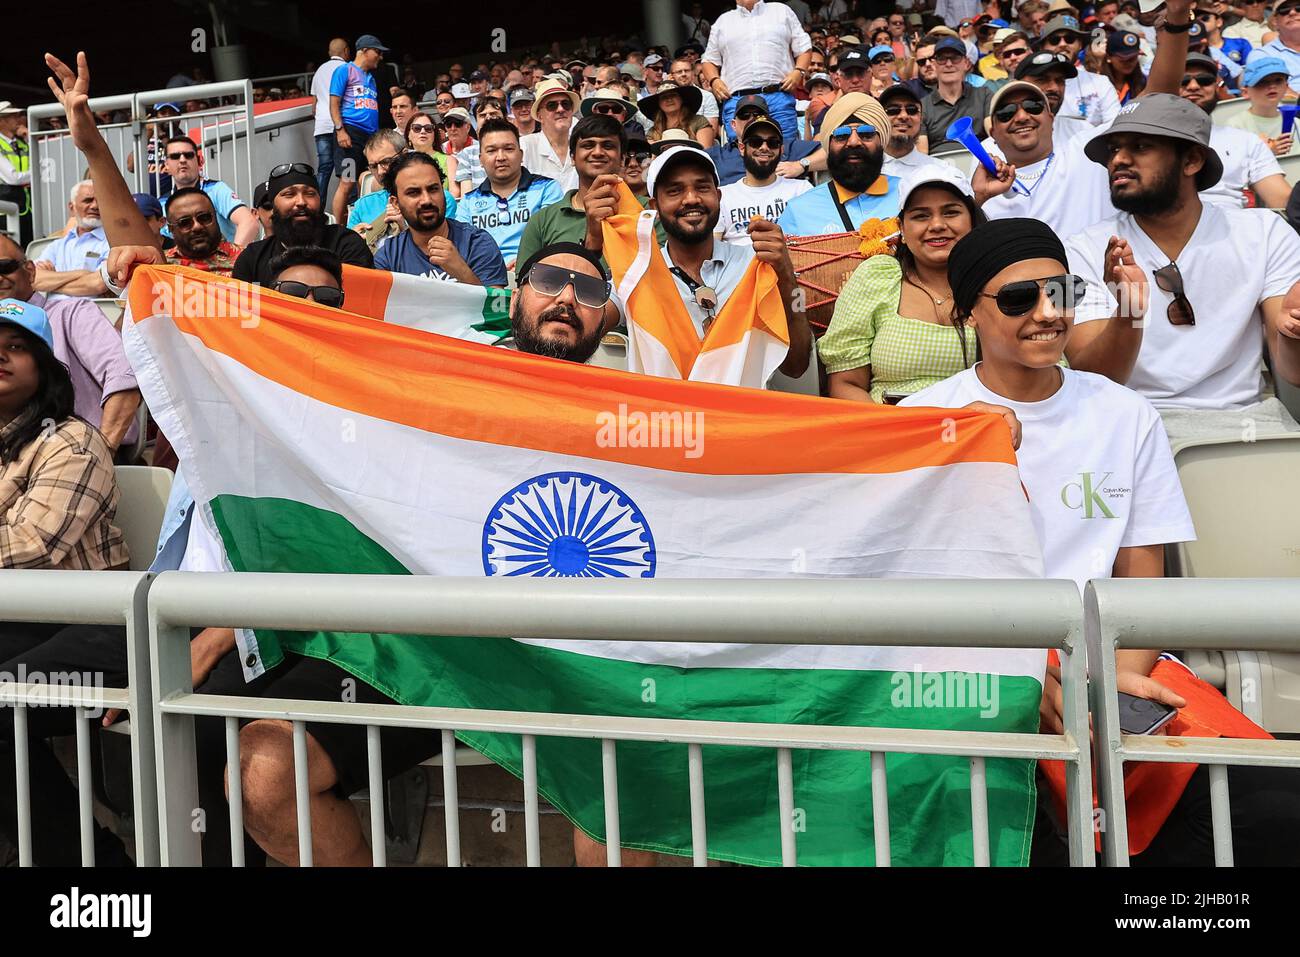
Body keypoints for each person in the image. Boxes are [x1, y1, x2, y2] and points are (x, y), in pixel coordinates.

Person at [907, 217, 1300, 867]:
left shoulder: (1124, 413)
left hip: (1112, 667)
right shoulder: (924, 419)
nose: (1045, 314)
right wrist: (1026, 681)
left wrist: (1113, 683)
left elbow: (1141, 563)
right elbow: (915, 582)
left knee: (1270, 809)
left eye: (1059, 292)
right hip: (983, 676)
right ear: (968, 313)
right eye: (1016, 299)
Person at [1066, 93, 1300, 440]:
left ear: (1192, 160)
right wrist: (1130, 309)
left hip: (1245, 424)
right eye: (1114, 149)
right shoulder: (1082, 247)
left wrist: (1293, 332)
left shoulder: (1264, 233)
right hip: (1130, 429)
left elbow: (1292, 370)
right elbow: (1095, 376)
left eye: (1141, 146)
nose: (1119, 160)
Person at [0, 296, 132, 866]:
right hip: (18, 618)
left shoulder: (71, 441)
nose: (0, 358)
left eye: (15, 347)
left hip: (96, 626)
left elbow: (35, 544)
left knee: (2, 701)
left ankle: (87, 865)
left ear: (46, 366)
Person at [584, 144, 812, 378]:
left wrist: (786, 277)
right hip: (668, 415)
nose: (691, 199)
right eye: (675, 191)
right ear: (655, 207)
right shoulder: (637, 273)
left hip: (743, 413)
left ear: (718, 196)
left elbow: (797, 365)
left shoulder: (755, 264)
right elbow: (582, 330)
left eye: (702, 187)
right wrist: (592, 243)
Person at [820, 165, 985, 403]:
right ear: (902, 230)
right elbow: (846, 383)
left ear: (972, 220)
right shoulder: (877, 277)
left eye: (950, 212)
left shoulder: (997, 281)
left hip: (980, 431)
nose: (937, 224)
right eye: (921, 215)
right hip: (889, 430)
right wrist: (891, 434)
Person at [0, 236, 140, 450]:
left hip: (85, 453)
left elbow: (124, 376)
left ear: (30, 271)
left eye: (5, 267)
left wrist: (100, 453)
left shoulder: (72, 314)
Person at [516, 115, 665, 269]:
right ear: (573, 157)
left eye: (608, 146)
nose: (598, 152)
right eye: (588, 145)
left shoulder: (650, 213)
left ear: (622, 159)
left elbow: (657, 276)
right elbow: (524, 285)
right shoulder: (542, 220)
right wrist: (592, 241)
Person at [980, 79, 1119, 237]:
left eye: (1033, 106)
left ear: (1051, 119)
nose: (1021, 117)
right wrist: (980, 196)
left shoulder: (1086, 150)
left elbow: (1150, 94)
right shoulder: (985, 186)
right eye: (1006, 113)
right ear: (993, 133)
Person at [374, 151, 507, 285]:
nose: (426, 200)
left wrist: (462, 271)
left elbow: (497, 304)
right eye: (413, 193)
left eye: (433, 189)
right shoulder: (388, 256)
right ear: (396, 204)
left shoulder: (477, 243)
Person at [777, 94, 903, 235]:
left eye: (866, 134)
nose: (854, 142)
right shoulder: (799, 211)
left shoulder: (908, 194)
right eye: (841, 135)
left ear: (881, 143)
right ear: (828, 147)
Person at [1180, 50, 1291, 209]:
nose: (1193, 86)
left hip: (1233, 226)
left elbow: (1282, 199)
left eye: (1204, 80)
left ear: (1217, 87)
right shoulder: (1149, 139)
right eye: (1183, 81)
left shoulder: (1245, 140)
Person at [232, 163, 373, 285]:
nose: (301, 202)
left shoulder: (346, 244)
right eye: (289, 194)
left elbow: (359, 302)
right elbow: (245, 312)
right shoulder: (252, 259)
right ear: (274, 207)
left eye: (310, 193)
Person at [454, 118, 564, 269]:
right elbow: (462, 247)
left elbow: (555, 240)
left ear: (521, 154)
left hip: (536, 274)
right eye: (491, 151)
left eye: (508, 149)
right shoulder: (468, 201)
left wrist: (527, 260)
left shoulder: (547, 189)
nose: (501, 157)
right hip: (485, 278)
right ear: (481, 159)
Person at [699, 0, 814, 142]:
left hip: (778, 96)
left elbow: (804, 48)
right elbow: (709, 60)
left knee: (786, 148)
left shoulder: (782, 11)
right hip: (737, 100)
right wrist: (714, 80)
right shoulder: (723, 21)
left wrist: (799, 71)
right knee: (739, 152)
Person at [508, 242, 624, 362]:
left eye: (588, 291)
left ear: (603, 319)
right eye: (549, 282)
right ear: (514, 301)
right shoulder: (486, 371)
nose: (568, 298)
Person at [718, 115, 812, 244]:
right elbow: (712, 249)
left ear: (781, 149)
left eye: (773, 143)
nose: (764, 147)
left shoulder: (802, 190)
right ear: (742, 148)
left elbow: (814, 239)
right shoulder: (723, 196)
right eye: (755, 142)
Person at [329, 35, 389, 225]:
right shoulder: (344, 70)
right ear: (364, 50)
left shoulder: (371, 78)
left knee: (371, 179)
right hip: (350, 134)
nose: (380, 56)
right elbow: (334, 102)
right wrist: (340, 130)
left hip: (370, 138)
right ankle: (338, 230)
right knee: (347, 182)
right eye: (377, 52)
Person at [158, 135, 259, 246]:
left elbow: (249, 222)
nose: (182, 160)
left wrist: (235, 258)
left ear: (199, 161)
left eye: (188, 155)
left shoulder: (216, 190)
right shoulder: (162, 203)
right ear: (166, 165)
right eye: (175, 156)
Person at [709, 94, 824, 185]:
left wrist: (801, 165)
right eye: (744, 115)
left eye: (758, 115)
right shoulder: (718, 155)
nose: (751, 119)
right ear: (733, 124)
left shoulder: (781, 146)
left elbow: (831, 153)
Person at [1040, 13, 1123, 128]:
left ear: (1080, 44)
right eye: (1055, 40)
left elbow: (1114, 126)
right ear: (1043, 47)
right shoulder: (1032, 85)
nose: (1063, 44)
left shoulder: (1101, 83)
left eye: (1070, 39)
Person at [32, 180, 109, 299]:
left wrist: (52, 280)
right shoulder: (58, 245)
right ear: (72, 208)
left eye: (100, 201)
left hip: (91, 312)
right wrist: (82, 274)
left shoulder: (110, 243)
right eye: (88, 200)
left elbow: (98, 284)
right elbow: (33, 279)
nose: (95, 206)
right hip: (51, 312)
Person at [920, 36, 994, 150]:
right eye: (941, 59)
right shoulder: (923, 107)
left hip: (980, 162)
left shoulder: (984, 95)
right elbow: (922, 152)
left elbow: (993, 134)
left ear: (966, 63)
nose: (948, 64)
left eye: (955, 58)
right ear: (934, 64)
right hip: (938, 165)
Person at [1223, 56, 1297, 157]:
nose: (1272, 86)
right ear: (1245, 92)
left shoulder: (1296, 123)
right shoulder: (1235, 125)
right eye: (1262, 82)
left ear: (1286, 87)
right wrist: (1267, 153)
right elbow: (1234, 165)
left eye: (1278, 80)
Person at [162, 187, 243, 276]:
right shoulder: (160, 265)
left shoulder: (246, 258)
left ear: (215, 217)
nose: (197, 226)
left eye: (204, 218)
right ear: (171, 228)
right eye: (185, 222)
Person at [520, 78, 581, 192]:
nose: (560, 109)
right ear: (540, 116)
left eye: (566, 104)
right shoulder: (525, 146)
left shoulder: (583, 146)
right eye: (552, 105)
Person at [309, 38, 350, 197]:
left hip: (321, 127)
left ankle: (317, 211)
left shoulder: (319, 71)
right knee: (348, 168)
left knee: (324, 170)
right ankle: (350, 209)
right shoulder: (347, 68)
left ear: (329, 53)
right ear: (346, 51)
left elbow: (314, 106)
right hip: (343, 126)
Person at [805, 45, 873, 137]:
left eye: (860, 73)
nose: (855, 80)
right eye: (848, 74)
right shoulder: (826, 113)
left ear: (871, 74)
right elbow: (819, 143)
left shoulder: (885, 105)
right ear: (839, 78)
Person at [880, 84, 938, 177]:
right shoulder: (861, 172)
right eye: (893, 110)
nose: (903, 116)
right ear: (879, 118)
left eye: (911, 110)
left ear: (921, 118)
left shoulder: (941, 173)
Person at [642, 82, 716, 147]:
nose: (669, 99)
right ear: (659, 104)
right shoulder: (654, 131)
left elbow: (706, 151)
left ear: (681, 99)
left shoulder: (699, 121)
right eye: (664, 97)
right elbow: (653, 157)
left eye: (673, 95)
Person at [0, 101, 31, 248]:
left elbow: (44, 161)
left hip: (26, 207)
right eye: (13, 116)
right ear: (2, 121)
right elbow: (12, 178)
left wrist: (28, 137)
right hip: (6, 212)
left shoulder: (22, 143)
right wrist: (37, 175)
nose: (19, 120)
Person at [669, 57, 720, 135]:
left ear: (693, 73)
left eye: (686, 71)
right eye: (679, 72)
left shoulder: (707, 96)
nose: (683, 74)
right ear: (672, 76)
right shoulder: (667, 99)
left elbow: (712, 131)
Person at [1102, 29, 1147, 104]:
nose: (1129, 63)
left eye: (1133, 58)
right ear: (1108, 57)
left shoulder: (1144, 82)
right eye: (1123, 59)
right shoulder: (1098, 83)